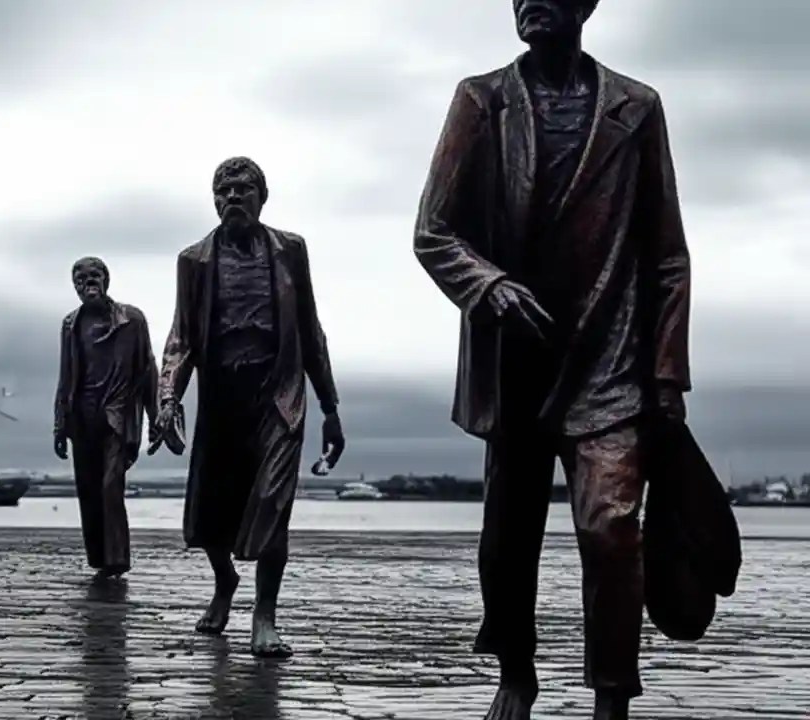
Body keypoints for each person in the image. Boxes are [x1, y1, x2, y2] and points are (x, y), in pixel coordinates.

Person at [413, 1, 693, 718]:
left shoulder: (637, 107)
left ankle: (611, 697)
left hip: (609, 356)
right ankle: (516, 671)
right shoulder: (481, 100)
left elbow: (667, 254)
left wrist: (666, 374)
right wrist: (489, 286)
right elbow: (433, 231)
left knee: (611, 529)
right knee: (509, 538)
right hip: (516, 360)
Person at [153, 156, 345, 657]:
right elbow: (181, 338)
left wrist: (329, 406)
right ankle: (225, 582)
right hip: (221, 400)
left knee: (273, 505)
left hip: (278, 397)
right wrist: (168, 397)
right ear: (214, 200)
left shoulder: (290, 250)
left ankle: (265, 615)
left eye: (243, 188)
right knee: (211, 514)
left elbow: (310, 328)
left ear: (262, 196)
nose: (233, 196)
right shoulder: (193, 261)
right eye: (223, 190)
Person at [53, 256, 158, 578]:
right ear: (74, 286)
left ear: (106, 279)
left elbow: (147, 369)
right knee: (88, 489)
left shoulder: (132, 319)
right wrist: (59, 425)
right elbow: (65, 375)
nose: (87, 282)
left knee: (111, 486)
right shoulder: (70, 324)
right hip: (82, 416)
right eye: (80, 278)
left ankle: (117, 559)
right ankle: (99, 559)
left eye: (94, 275)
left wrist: (157, 417)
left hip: (117, 415)